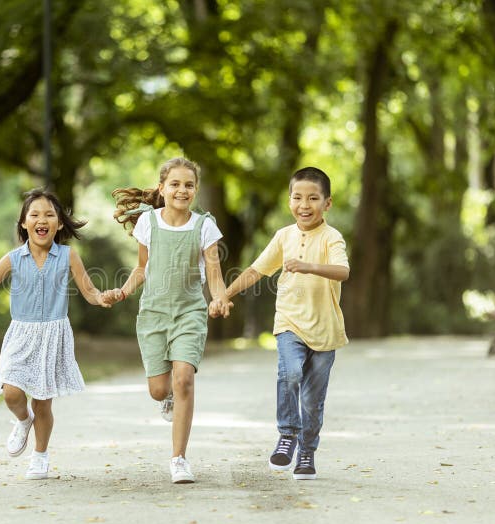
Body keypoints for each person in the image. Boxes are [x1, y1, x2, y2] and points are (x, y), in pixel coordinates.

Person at [0, 190, 111, 480]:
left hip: (53, 334)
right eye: (35, 214)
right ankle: (23, 420)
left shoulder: (67, 256)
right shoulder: (13, 259)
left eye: (50, 214)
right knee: (11, 391)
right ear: (24, 223)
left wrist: (103, 298)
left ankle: (40, 456)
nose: (42, 219)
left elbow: (90, 291)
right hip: (21, 334)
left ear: (60, 224)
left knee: (42, 402)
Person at [103, 156, 231, 484]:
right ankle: (169, 396)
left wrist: (219, 297)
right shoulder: (148, 223)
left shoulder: (205, 226)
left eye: (189, 185)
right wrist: (123, 291)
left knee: (184, 377)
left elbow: (214, 273)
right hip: (154, 315)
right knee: (159, 391)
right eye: (174, 184)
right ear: (162, 188)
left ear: (196, 189)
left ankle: (179, 459)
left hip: (189, 312)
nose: (181, 190)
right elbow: (142, 267)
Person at [225, 166, 349, 481]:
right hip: (289, 321)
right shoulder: (284, 236)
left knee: (312, 399)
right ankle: (288, 434)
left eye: (313, 198)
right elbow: (256, 270)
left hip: (325, 330)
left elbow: (342, 271)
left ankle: (307, 452)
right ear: (289, 200)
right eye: (297, 197)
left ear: (327, 203)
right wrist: (225, 295)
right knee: (290, 373)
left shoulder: (332, 237)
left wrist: (308, 266)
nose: (304, 205)